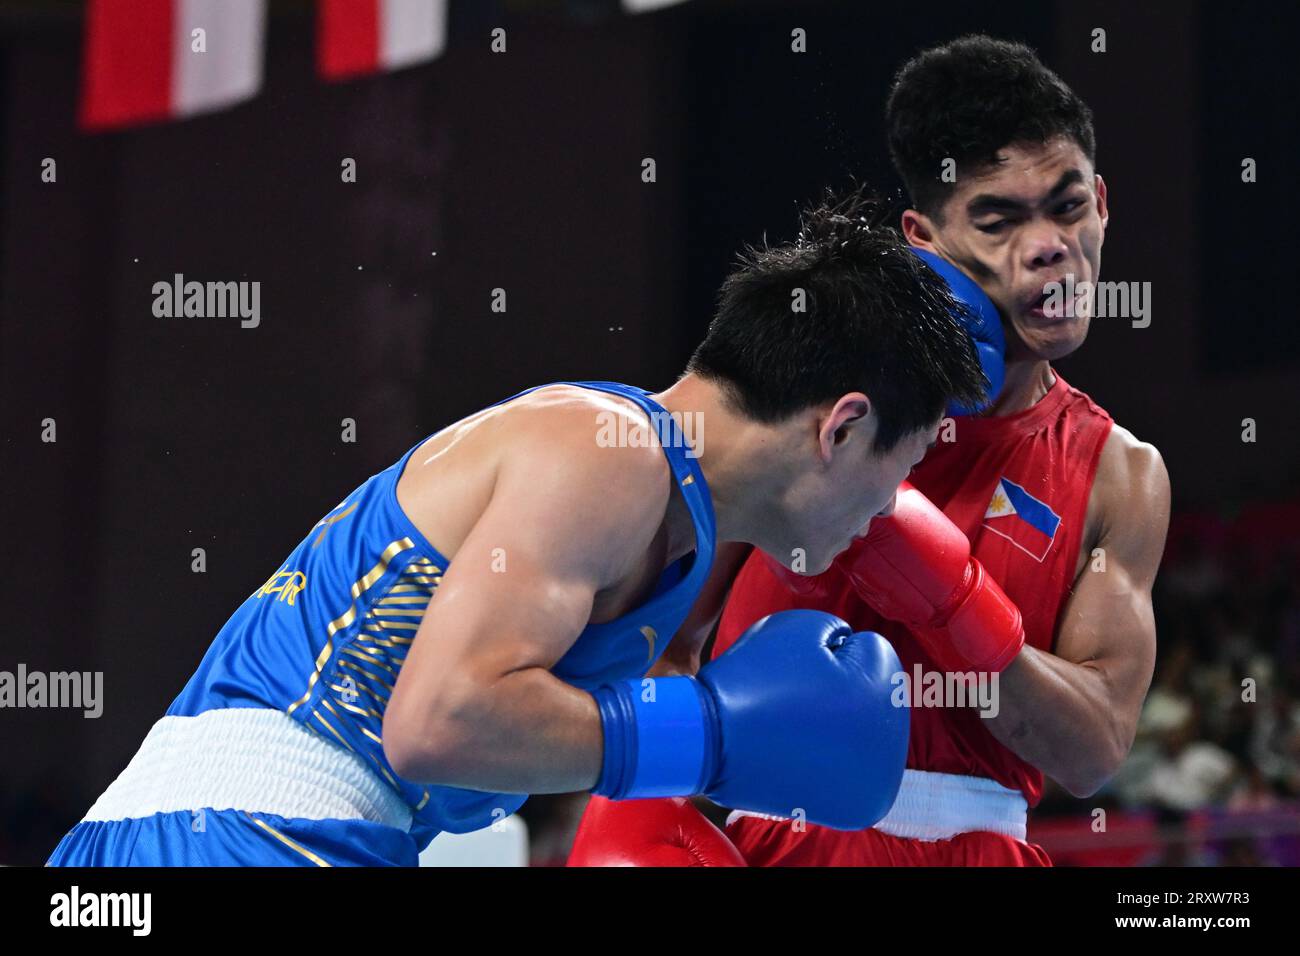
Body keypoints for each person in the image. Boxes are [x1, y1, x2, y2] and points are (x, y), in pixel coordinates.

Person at [47, 191, 988, 866]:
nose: (881, 513)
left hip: (283, 833)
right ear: (844, 425)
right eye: (900, 470)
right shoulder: (611, 451)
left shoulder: (669, 526)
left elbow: (477, 761)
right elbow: (442, 724)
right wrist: (706, 736)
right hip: (244, 829)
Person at [571, 34, 1171, 867]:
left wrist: (955, 605)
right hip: (769, 834)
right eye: (997, 219)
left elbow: (1095, 747)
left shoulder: (1119, 472)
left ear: (1102, 204)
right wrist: (655, 805)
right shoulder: (817, 393)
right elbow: (661, 641)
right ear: (923, 236)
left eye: (1067, 207)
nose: (1046, 246)